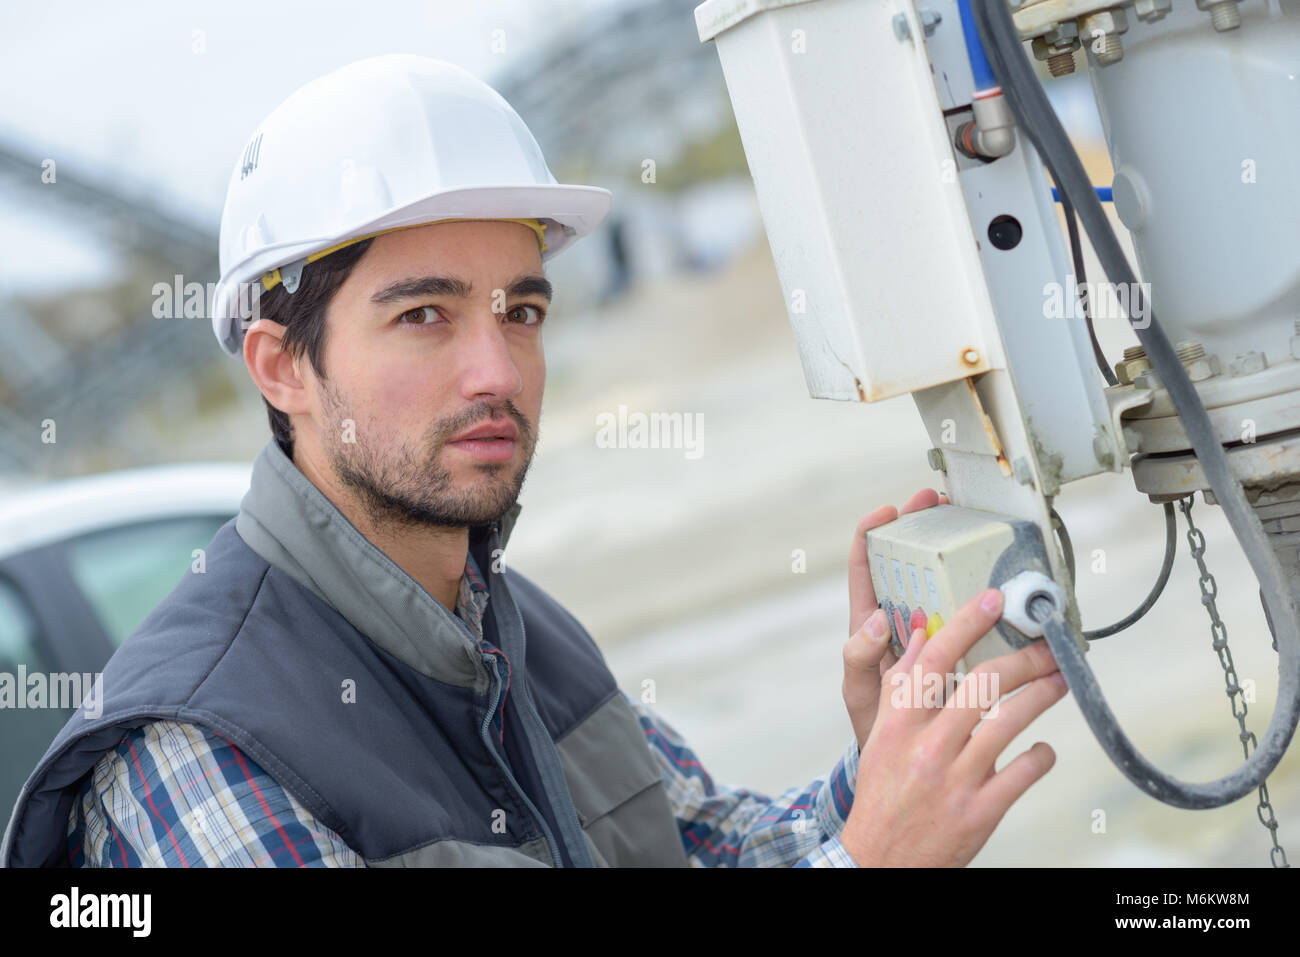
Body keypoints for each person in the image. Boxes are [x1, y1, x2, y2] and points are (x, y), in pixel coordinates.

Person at [1, 55, 1066, 868]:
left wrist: (873, 780)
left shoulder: (511, 629)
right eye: (423, 315)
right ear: (282, 367)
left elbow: (705, 851)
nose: (493, 370)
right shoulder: (203, 752)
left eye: (521, 310)